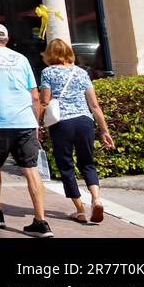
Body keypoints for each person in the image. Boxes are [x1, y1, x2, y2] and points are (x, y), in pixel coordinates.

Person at [0, 22, 51, 237]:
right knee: (31, 169)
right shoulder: (21, 59)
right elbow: (34, 94)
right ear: (6, 39)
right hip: (24, 120)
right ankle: (41, 221)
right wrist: (36, 123)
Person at [39, 39, 115, 225]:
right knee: (87, 162)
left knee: (66, 165)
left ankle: (80, 209)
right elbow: (94, 105)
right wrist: (104, 130)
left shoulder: (48, 72)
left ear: (50, 54)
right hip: (85, 121)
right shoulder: (81, 73)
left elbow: (45, 101)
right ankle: (96, 199)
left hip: (62, 123)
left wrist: (37, 124)